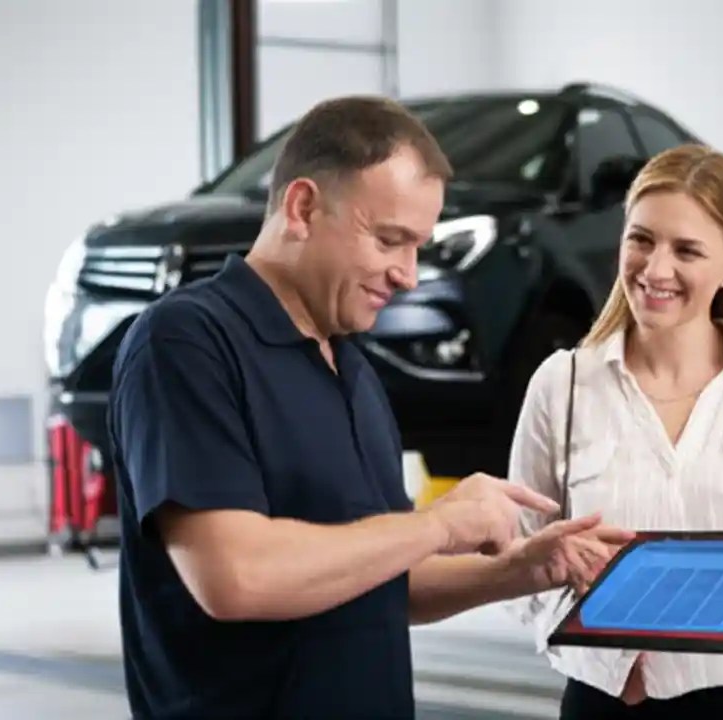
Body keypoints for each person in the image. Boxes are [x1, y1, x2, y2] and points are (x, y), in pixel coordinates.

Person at [107, 95, 633, 719]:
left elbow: (383, 577)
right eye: (390, 240)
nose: (408, 274)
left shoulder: (352, 370)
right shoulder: (187, 343)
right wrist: (440, 524)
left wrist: (523, 569)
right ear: (303, 207)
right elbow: (236, 575)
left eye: (418, 247)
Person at [508, 143, 723, 719]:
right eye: (641, 239)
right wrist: (570, 608)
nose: (655, 269)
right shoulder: (562, 384)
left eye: (687, 250)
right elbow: (518, 563)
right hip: (608, 701)